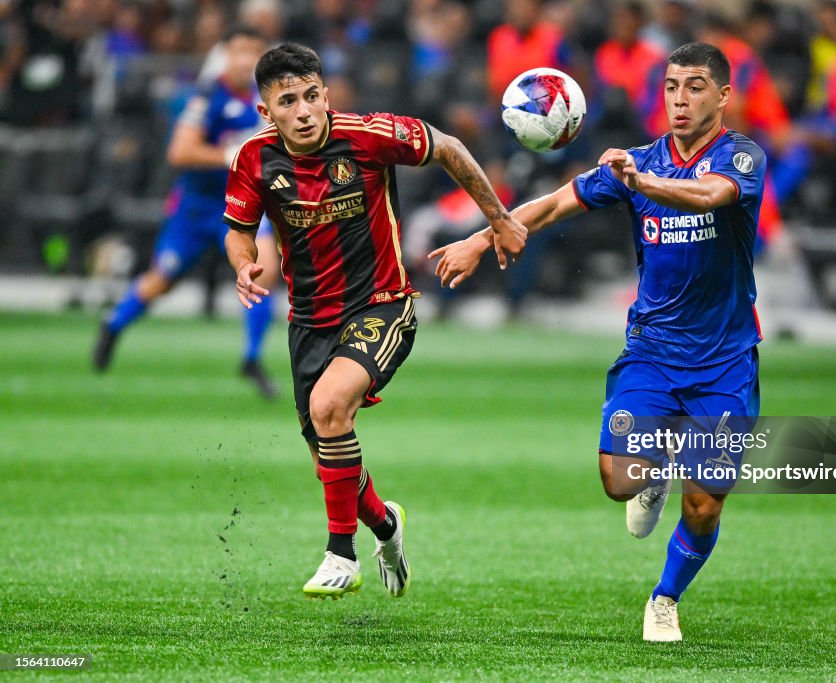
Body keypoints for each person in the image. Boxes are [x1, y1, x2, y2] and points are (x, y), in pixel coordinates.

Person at [431, 43, 765, 642]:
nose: (679, 100)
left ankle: (664, 598)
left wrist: (645, 182)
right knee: (619, 481)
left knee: (706, 503)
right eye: (670, 87)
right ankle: (657, 464)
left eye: (693, 87)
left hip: (725, 359)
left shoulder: (741, 158)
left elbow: (711, 195)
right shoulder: (637, 162)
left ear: (723, 94)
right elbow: (556, 202)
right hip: (653, 352)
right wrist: (485, 239)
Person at [223, 43, 526, 599]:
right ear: (267, 113)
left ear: (326, 94)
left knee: (329, 407)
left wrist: (499, 219)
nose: (306, 110)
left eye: (313, 95)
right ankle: (386, 526)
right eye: (289, 101)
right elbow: (239, 230)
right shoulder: (254, 159)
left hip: (382, 305)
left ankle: (341, 552)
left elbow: (448, 146)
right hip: (310, 321)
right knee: (328, 455)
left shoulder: (367, 135)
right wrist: (246, 266)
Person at [93, 25, 281, 399]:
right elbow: (180, 152)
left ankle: (252, 357)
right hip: (196, 209)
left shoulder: (267, 99)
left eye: (254, 51)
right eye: (240, 50)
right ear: (226, 55)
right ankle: (113, 323)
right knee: (163, 279)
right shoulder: (208, 96)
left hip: (241, 205)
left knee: (266, 270)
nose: (247, 59)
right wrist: (228, 157)